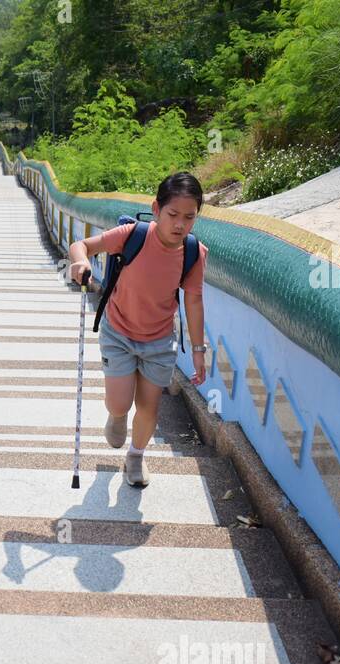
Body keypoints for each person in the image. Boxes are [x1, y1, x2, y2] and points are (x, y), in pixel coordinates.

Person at [66, 171, 209, 488]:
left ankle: (136, 456)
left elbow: (194, 301)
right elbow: (82, 245)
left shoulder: (193, 253)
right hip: (118, 332)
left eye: (189, 217)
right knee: (120, 403)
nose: (180, 224)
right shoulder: (132, 235)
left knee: (149, 406)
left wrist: (199, 351)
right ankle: (116, 418)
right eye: (172, 215)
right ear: (156, 209)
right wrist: (79, 263)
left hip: (159, 341)